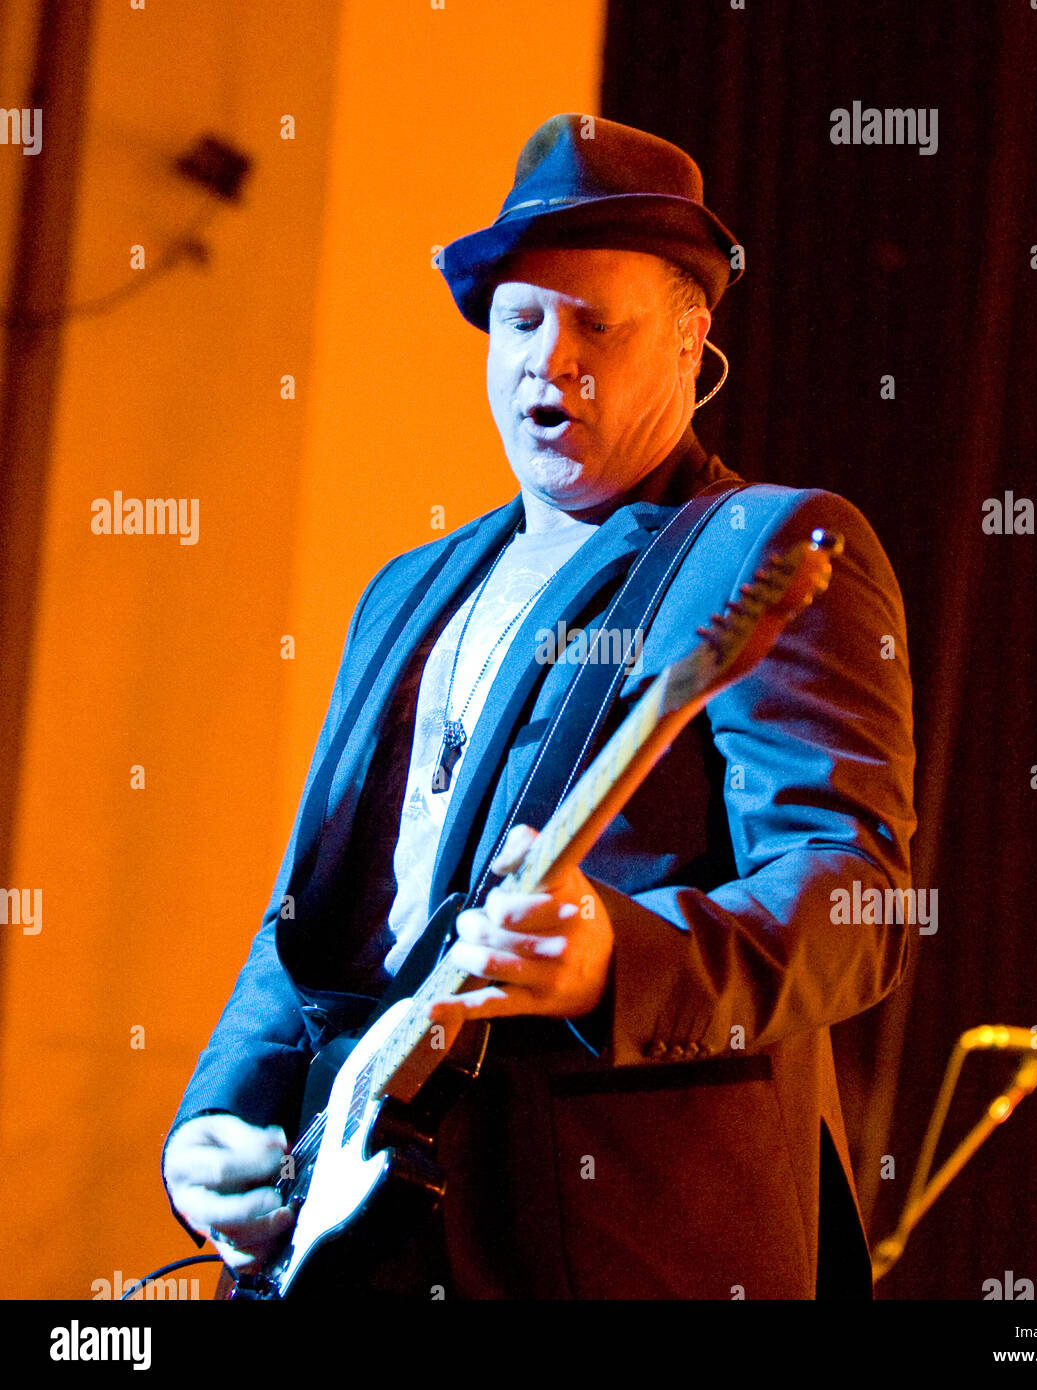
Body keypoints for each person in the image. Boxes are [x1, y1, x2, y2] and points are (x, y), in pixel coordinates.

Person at [162, 113, 917, 1299]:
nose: (548, 362)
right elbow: (313, 911)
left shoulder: (756, 547)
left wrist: (619, 955)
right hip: (361, 1223)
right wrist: (217, 1112)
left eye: (596, 327)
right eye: (519, 322)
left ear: (688, 341)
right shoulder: (408, 590)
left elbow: (856, 896)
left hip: (615, 1247)